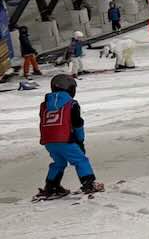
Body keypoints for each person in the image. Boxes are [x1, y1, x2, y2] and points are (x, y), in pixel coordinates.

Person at [35, 71, 101, 199]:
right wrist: (80, 140)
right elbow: (77, 124)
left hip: (49, 141)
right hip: (66, 140)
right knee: (81, 160)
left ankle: (51, 186)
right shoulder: (72, 104)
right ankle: (88, 184)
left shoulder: (44, 105)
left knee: (59, 162)